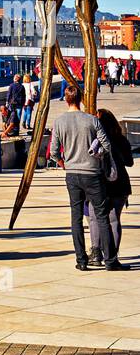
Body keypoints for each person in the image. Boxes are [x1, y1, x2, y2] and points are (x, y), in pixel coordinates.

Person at [50, 84, 127, 271]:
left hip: (72, 174)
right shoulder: (92, 120)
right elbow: (107, 146)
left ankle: (81, 260)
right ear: (80, 99)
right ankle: (110, 260)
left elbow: (53, 152)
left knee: (76, 217)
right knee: (101, 216)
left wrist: (65, 164)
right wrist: (96, 157)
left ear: (66, 99)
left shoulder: (59, 122)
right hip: (93, 174)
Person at [87, 107, 133, 266]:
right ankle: (111, 257)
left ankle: (96, 254)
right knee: (114, 220)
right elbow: (130, 162)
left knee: (95, 218)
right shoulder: (121, 139)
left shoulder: (95, 142)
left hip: (99, 184)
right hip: (120, 183)